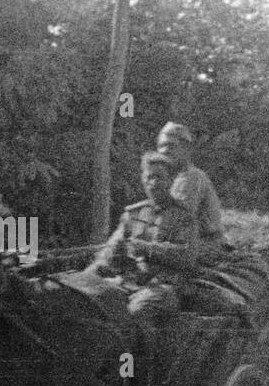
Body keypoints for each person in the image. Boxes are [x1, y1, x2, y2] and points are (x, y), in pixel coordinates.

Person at [91, 151, 205, 362]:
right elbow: (110, 252)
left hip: (166, 288)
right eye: (148, 177)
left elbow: (187, 256)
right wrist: (88, 278)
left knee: (136, 313)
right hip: (128, 283)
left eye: (159, 177)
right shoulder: (133, 214)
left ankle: (143, 383)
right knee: (93, 305)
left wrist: (147, 248)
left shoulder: (184, 217)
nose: (153, 182)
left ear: (171, 180)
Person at [156, 122, 224, 246]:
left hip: (205, 245)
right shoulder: (165, 178)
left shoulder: (192, 176)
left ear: (185, 149)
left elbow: (177, 218)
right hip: (182, 243)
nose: (164, 151)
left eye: (171, 146)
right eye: (161, 146)